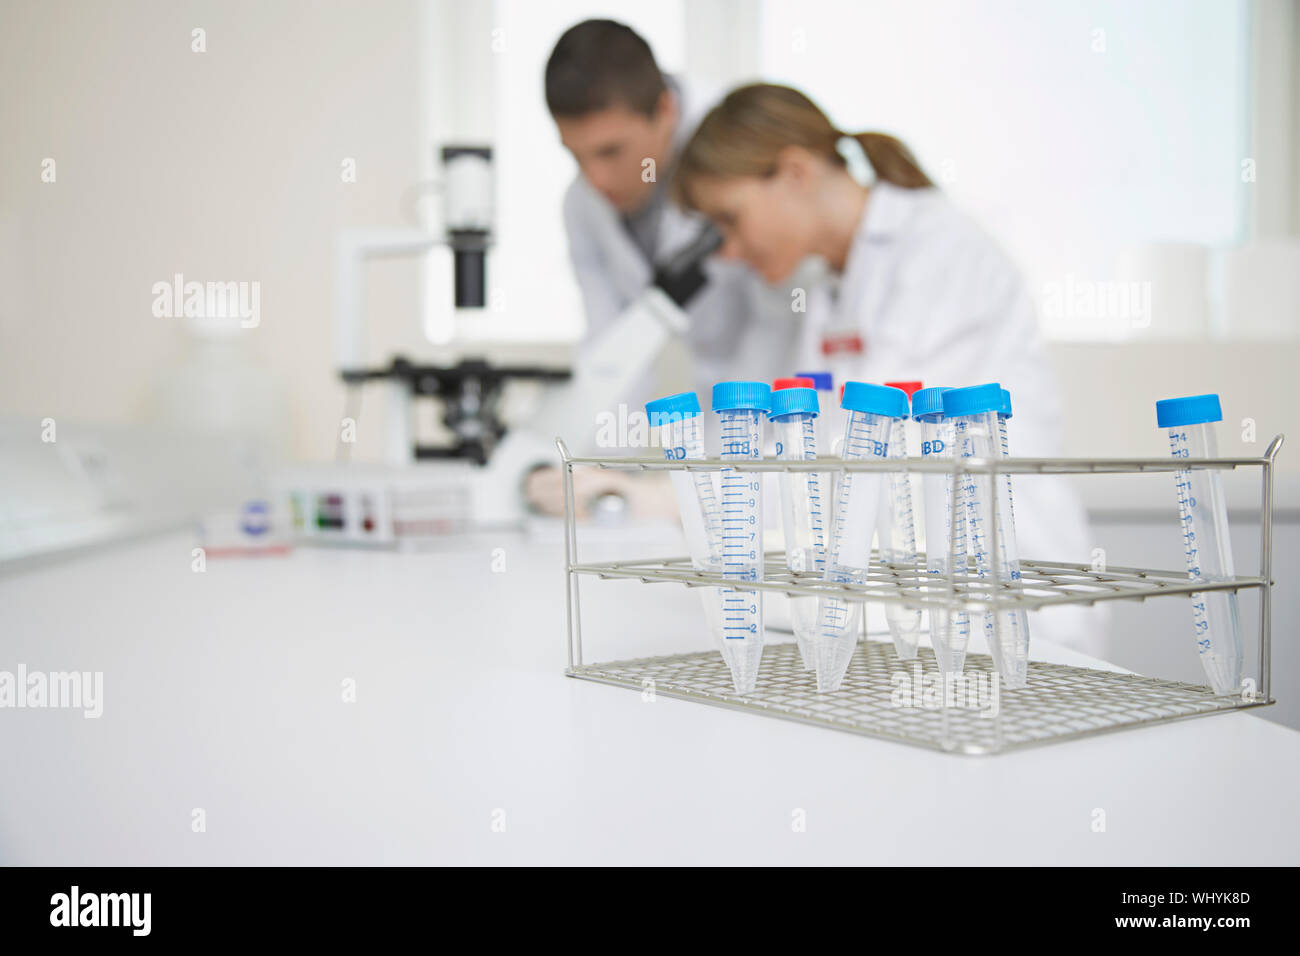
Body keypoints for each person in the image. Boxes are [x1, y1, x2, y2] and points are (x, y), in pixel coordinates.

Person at [672, 82, 1103, 657]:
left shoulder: (938, 252)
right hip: (914, 604)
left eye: (729, 219)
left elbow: (864, 461)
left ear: (794, 172)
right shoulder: (826, 286)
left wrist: (675, 493)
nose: (725, 251)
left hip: (1009, 597)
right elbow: (804, 446)